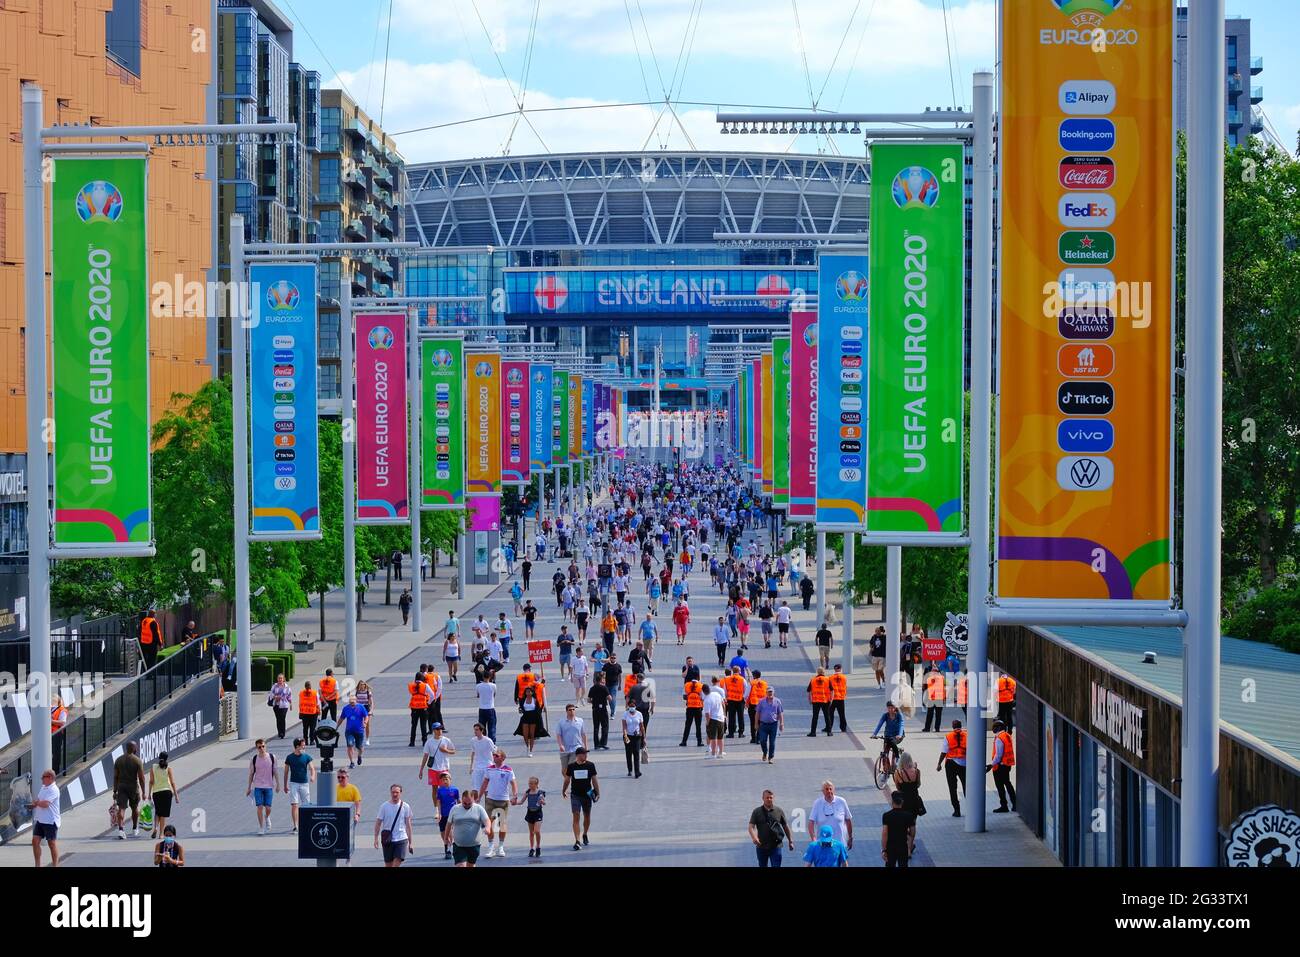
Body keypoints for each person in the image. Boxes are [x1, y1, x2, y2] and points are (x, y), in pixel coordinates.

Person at [481, 748, 518, 858]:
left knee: (502, 824)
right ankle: (491, 846)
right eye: (493, 755)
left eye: (496, 755)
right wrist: (479, 795)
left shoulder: (508, 770)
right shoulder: (489, 769)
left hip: (503, 801)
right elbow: (485, 782)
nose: (494, 757)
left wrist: (515, 795)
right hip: (490, 799)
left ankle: (501, 847)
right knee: (489, 824)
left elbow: (513, 783)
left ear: (502, 757)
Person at [562, 747, 599, 851]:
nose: (586, 756)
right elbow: (567, 780)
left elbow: (594, 780)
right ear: (578, 755)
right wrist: (564, 790)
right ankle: (577, 841)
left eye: (586, 754)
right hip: (575, 795)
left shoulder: (590, 765)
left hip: (587, 795)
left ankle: (585, 833)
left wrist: (598, 792)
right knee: (576, 816)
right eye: (584, 754)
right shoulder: (571, 766)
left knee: (587, 816)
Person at [445, 787, 493, 867]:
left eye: (469, 803)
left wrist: (488, 828)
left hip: (474, 845)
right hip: (459, 845)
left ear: (473, 800)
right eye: (464, 803)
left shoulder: (479, 808)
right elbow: (449, 824)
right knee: (461, 866)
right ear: (461, 799)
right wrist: (446, 838)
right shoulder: (455, 809)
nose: (467, 805)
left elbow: (487, 820)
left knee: (471, 865)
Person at [748, 789, 795, 868]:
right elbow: (751, 827)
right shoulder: (757, 811)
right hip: (761, 846)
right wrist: (754, 837)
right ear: (762, 798)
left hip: (776, 846)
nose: (769, 799)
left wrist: (790, 841)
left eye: (771, 797)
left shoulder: (779, 811)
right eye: (767, 798)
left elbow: (785, 826)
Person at [113, 741, 146, 839]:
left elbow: (115, 777)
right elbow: (141, 778)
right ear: (134, 748)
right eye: (136, 747)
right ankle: (135, 828)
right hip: (133, 786)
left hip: (121, 786)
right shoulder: (137, 760)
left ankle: (121, 829)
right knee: (134, 808)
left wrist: (115, 791)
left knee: (121, 808)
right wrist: (144, 791)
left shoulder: (118, 760)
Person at [375, 784, 414, 867]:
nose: (395, 794)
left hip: (401, 839)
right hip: (388, 840)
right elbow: (378, 823)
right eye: (393, 792)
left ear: (401, 793)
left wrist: (410, 842)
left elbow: (408, 825)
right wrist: (375, 839)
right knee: (388, 865)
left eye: (397, 792)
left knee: (396, 863)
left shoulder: (406, 806)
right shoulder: (384, 806)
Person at [808, 780, 854, 850]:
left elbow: (848, 820)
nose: (829, 791)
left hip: (840, 844)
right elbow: (811, 822)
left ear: (834, 790)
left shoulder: (841, 801)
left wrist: (850, 837)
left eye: (830, 789)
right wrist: (814, 839)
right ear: (823, 791)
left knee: (843, 861)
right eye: (826, 789)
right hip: (823, 845)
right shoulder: (817, 803)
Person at [282, 738, 315, 833]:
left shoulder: (307, 757)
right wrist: (285, 785)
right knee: (294, 805)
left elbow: (312, 768)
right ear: (297, 746)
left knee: (306, 805)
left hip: (304, 784)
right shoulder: (289, 757)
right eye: (303, 745)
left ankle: (307, 824)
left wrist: (312, 776)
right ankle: (296, 825)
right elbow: (286, 772)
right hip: (294, 784)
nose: (304, 746)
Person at [936, 719, 968, 817]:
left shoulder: (948, 736)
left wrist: (939, 764)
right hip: (964, 764)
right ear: (961, 726)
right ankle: (971, 808)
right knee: (966, 787)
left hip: (951, 764)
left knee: (952, 788)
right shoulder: (968, 735)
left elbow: (944, 751)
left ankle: (957, 810)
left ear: (953, 726)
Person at [29, 768, 60, 868]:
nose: (41, 779)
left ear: (50, 778)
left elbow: (46, 804)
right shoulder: (43, 787)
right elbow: (39, 800)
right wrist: (33, 804)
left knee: (52, 844)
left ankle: (55, 865)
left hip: (50, 821)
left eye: (43, 777)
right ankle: (37, 865)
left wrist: (37, 803)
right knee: (35, 841)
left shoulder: (54, 789)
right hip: (40, 819)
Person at [245, 739, 276, 835]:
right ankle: (261, 827)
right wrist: (249, 787)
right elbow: (251, 774)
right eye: (259, 747)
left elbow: (275, 771)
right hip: (258, 786)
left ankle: (267, 817)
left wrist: (278, 784)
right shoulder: (254, 759)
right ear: (257, 748)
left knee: (268, 807)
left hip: (269, 786)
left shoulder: (272, 757)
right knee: (259, 807)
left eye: (263, 746)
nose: (262, 748)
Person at [146, 751, 179, 839]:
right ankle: (161, 834)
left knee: (157, 812)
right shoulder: (168, 768)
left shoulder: (153, 767)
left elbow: (151, 781)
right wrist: (176, 795)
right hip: (167, 792)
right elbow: (172, 782)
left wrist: (149, 794)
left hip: (156, 793)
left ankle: (155, 827)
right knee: (163, 814)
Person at [987, 719, 1017, 812]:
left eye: (994, 727)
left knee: (1000, 786)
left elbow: (998, 755)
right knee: (1008, 784)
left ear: (998, 728)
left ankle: (1004, 806)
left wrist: (991, 765)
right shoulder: (1007, 735)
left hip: (1000, 766)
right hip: (1007, 764)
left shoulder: (999, 738)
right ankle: (1015, 804)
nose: (993, 729)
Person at [881, 790, 917, 868]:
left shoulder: (887, 816)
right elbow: (913, 832)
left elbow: (885, 834)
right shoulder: (909, 816)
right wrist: (909, 847)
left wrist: (884, 850)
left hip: (890, 847)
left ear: (892, 801)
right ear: (902, 802)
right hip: (903, 846)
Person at [419, 722, 456, 795]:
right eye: (437, 729)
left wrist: (446, 750)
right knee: (434, 790)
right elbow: (425, 755)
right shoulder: (429, 742)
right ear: (433, 730)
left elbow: (454, 751)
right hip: (433, 768)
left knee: (444, 788)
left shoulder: (446, 740)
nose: (440, 731)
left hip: (444, 768)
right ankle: (436, 806)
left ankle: (442, 805)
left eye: (441, 729)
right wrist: (421, 769)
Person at [513, 685, 548, 758]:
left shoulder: (535, 700)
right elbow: (521, 708)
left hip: (533, 718)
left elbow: (538, 710)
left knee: (532, 735)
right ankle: (527, 747)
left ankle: (531, 750)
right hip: (525, 717)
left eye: (529, 692)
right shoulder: (523, 700)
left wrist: (541, 716)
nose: (528, 693)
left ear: (532, 693)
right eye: (526, 692)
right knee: (525, 735)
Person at [871, 701, 906, 771]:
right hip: (887, 735)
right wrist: (874, 734)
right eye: (888, 708)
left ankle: (897, 758)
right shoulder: (885, 715)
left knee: (892, 742)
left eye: (892, 708)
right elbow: (880, 724)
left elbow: (901, 725)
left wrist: (899, 734)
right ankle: (886, 770)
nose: (890, 709)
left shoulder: (899, 715)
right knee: (885, 753)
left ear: (895, 708)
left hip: (897, 736)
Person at [556, 703, 588, 776]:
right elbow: (558, 735)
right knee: (564, 770)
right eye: (570, 710)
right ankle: (567, 780)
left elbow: (583, 734)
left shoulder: (580, 721)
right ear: (566, 711)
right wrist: (560, 745)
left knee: (571, 766)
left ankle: (573, 782)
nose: (572, 711)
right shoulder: (561, 722)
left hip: (576, 748)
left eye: (573, 709)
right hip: (565, 749)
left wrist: (585, 746)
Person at [755, 685, 784, 763]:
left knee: (772, 742)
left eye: (771, 692)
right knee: (762, 740)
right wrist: (756, 724)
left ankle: (771, 757)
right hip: (763, 724)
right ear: (766, 693)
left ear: (774, 692)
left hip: (773, 724)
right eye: (768, 692)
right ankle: (765, 752)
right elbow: (757, 713)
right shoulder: (761, 701)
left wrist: (781, 723)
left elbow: (780, 713)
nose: (770, 693)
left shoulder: (777, 701)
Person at [518, 776, 546, 858]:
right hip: (530, 813)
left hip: (538, 813)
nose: (529, 785)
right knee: (531, 832)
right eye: (529, 783)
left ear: (536, 784)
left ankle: (538, 847)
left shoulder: (540, 793)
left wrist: (542, 802)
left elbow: (544, 802)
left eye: (531, 783)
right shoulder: (527, 792)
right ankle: (531, 848)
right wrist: (514, 802)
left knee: (537, 831)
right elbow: (521, 801)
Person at [339, 693, 369, 768]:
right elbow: (341, 718)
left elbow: (366, 716)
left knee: (360, 747)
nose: (352, 704)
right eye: (350, 702)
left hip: (359, 730)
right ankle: (352, 762)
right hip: (349, 731)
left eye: (353, 702)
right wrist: (336, 726)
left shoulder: (361, 707)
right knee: (350, 745)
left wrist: (365, 722)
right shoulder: (346, 708)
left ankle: (359, 756)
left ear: (356, 701)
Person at [434, 772, 459, 859]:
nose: (445, 781)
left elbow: (458, 801)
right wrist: (438, 813)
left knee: (450, 830)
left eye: (446, 779)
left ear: (450, 780)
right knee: (442, 832)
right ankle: (447, 843)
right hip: (443, 815)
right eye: (443, 779)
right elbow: (438, 802)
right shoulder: (440, 790)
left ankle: (448, 849)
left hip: (452, 814)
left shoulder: (455, 790)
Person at [468, 723, 497, 795]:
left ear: (482, 730)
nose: (475, 731)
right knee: (475, 789)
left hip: (487, 766)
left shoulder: (488, 741)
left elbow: (494, 752)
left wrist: (495, 766)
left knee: (487, 789)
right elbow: (473, 753)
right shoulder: (473, 740)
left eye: (477, 730)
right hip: (477, 767)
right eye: (474, 730)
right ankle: (475, 805)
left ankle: (487, 806)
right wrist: (471, 766)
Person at [894, 752, 925, 818]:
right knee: (913, 822)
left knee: (904, 821)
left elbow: (897, 787)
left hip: (903, 800)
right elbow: (918, 784)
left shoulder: (898, 773)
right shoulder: (917, 771)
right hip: (914, 799)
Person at [704, 677, 727, 758]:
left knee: (713, 737)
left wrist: (707, 722)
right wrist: (724, 715)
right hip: (721, 718)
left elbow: (707, 714)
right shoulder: (717, 694)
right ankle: (720, 753)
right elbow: (723, 704)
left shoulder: (707, 700)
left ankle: (713, 754)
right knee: (721, 737)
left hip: (713, 719)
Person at [806, 668, 833, 737]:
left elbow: (809, 691)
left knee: (815, 717)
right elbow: (832, 690)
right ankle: (829, 732)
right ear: (824, 672)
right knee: (827, 716)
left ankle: (813, 732)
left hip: (816, 701)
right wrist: (831, 699)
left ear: (817, 672)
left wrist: (810, 700)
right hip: (825, 700)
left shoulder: (813, 680)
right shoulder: (827, 679)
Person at [680, 674, 705, 747]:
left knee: (687, 725)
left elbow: (684, 697)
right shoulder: (701, 686)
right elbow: (703, 697)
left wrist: (690, 697)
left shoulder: (687, 685)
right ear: (698, 678)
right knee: (698, 726)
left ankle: (684, 741)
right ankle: (699, 742)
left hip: (690, 707)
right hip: (698, 707)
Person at [587, 673, 612, 750]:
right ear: (601, 680)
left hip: (595, 709)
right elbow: (610, 698)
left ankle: (596, 744)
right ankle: (603, 743)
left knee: (596, 727)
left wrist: (594, 702)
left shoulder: (592, 688)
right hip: (603, 709)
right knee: (605, 726)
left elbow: (588, 700)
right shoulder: (604, 688)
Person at [621, 700, 644, 778]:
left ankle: (637, 772)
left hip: (637, 736)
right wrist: (625, 734)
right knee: (628, 753)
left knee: (636, 753)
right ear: (628, 706)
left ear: (635, 706)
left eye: (633, 706)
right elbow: (624, 726)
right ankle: (630, 770)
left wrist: (644, 737)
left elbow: (642, 726)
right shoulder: (625, 714)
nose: (632, 708)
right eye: (630, 706)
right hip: (628, 736)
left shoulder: (639, 714)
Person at [722, 666, 747, 739]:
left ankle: (731, 733)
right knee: (740, 716)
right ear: (739, 671)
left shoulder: (727, 679)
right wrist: (744, 699)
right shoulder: (742, 679)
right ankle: (741, 732)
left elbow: (725, 690)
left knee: (731, 717)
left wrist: (726, 698)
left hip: (731, 700)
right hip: (740, 700)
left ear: (732, 671)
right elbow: (745, 690)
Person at [922, 666, 946, 733]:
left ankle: (927, 728)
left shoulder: (929, 678)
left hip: (932, 698)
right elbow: (944, 687)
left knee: (930, 714)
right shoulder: (942, 678)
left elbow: (924, 687)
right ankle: (937, 728)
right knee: (938, 715)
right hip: (940, 699)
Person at [476, 670, 498, 742]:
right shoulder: (493, 686)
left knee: (482, 727)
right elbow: (494, 695)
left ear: (482, 677)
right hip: (490, 708)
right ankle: (492, 743)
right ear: (490, 676)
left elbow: (478, 695)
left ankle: (483, 741)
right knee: (492, 727)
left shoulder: (478, 686)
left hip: (482, 708)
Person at [298, 680, 320, 745]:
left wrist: (300, 712)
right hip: (313, 713)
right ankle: (312, 740)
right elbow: (318, 703)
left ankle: (305, 741)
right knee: (312, 728)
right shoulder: (315, 693)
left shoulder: (301, 693)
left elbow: (300, 703)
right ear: (310, 686)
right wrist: (319, 711)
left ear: (305, 686)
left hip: (304, 713)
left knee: (305, 728)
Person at [829, 663, 849, 733]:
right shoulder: (844, 677)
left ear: (835, 669)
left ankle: (829, 727)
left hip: (833, 698)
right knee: (842, 714)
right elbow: (845, 687)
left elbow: (829, 688)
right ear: (840, 669)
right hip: (841, 698)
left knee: (830, 714)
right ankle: (843, 728)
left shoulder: (830, 677)